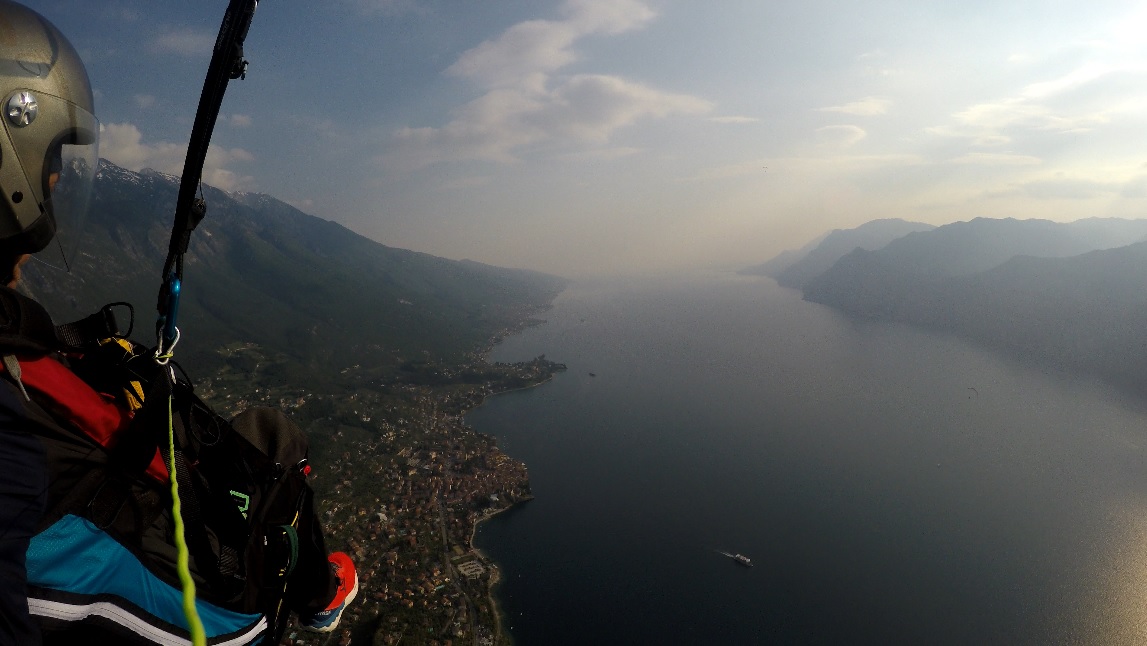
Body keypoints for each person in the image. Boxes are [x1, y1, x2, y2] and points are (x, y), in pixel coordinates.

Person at [0, 2, 357, 643]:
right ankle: (317, 595)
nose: (55, 175)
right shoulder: (6, 436)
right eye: (49, 155)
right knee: (275, 447)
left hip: (93, 527)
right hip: (207, 611)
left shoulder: (12, 343)